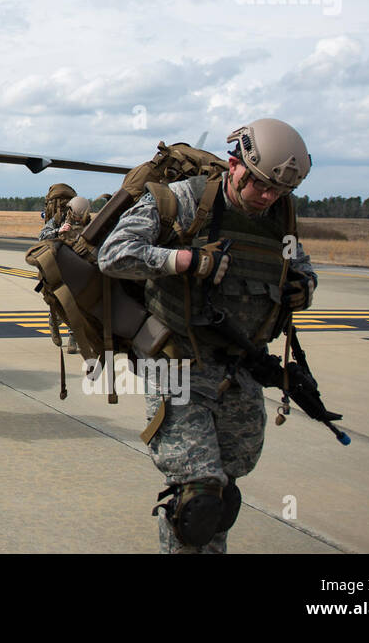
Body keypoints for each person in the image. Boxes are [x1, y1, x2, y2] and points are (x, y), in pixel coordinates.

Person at [97, 119, 316, 553]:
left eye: (278, 190)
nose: (268, 197)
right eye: (261, 186)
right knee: (196, 496)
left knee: (224, 494)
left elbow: (303, 270)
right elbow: (114, 254)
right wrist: (183, 260)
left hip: (241, 368)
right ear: (235, 166)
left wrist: (303, 287)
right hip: (176, 363)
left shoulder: (278, 218)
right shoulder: (183, 202)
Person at [40, 195, 93, 353]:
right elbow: (41, 236)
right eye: (76, 214)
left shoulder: (90, 224)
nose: (78, 218)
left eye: (81, 215)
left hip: (80, 267)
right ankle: (54, 321)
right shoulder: (59, 219)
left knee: (78, 305)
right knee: (61, 303)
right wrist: (58, 231)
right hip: (61, 266)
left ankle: (74, 338)